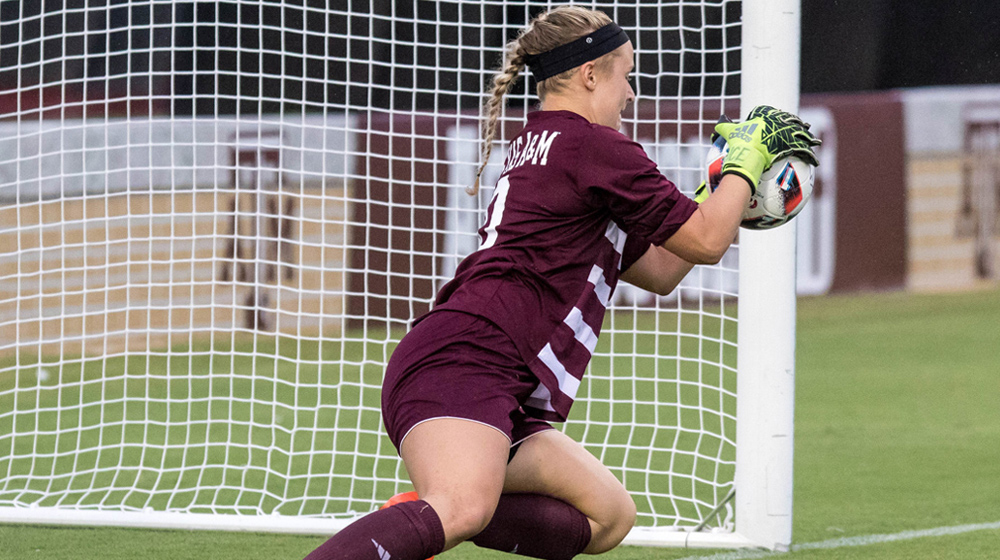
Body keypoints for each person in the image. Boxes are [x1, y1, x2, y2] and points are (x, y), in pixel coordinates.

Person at [303, 6, 819, 560]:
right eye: (625, 75)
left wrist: (721, 193)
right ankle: (429, 516)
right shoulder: (592, 145)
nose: (630, 94)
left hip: (490, 370)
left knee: (607, 516)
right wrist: (744, 165)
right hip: (468, 357)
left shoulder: (546, 142)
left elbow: (665, 269)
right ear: (591, 74)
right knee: (464, 508)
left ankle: (413, 519)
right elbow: (707, 242)